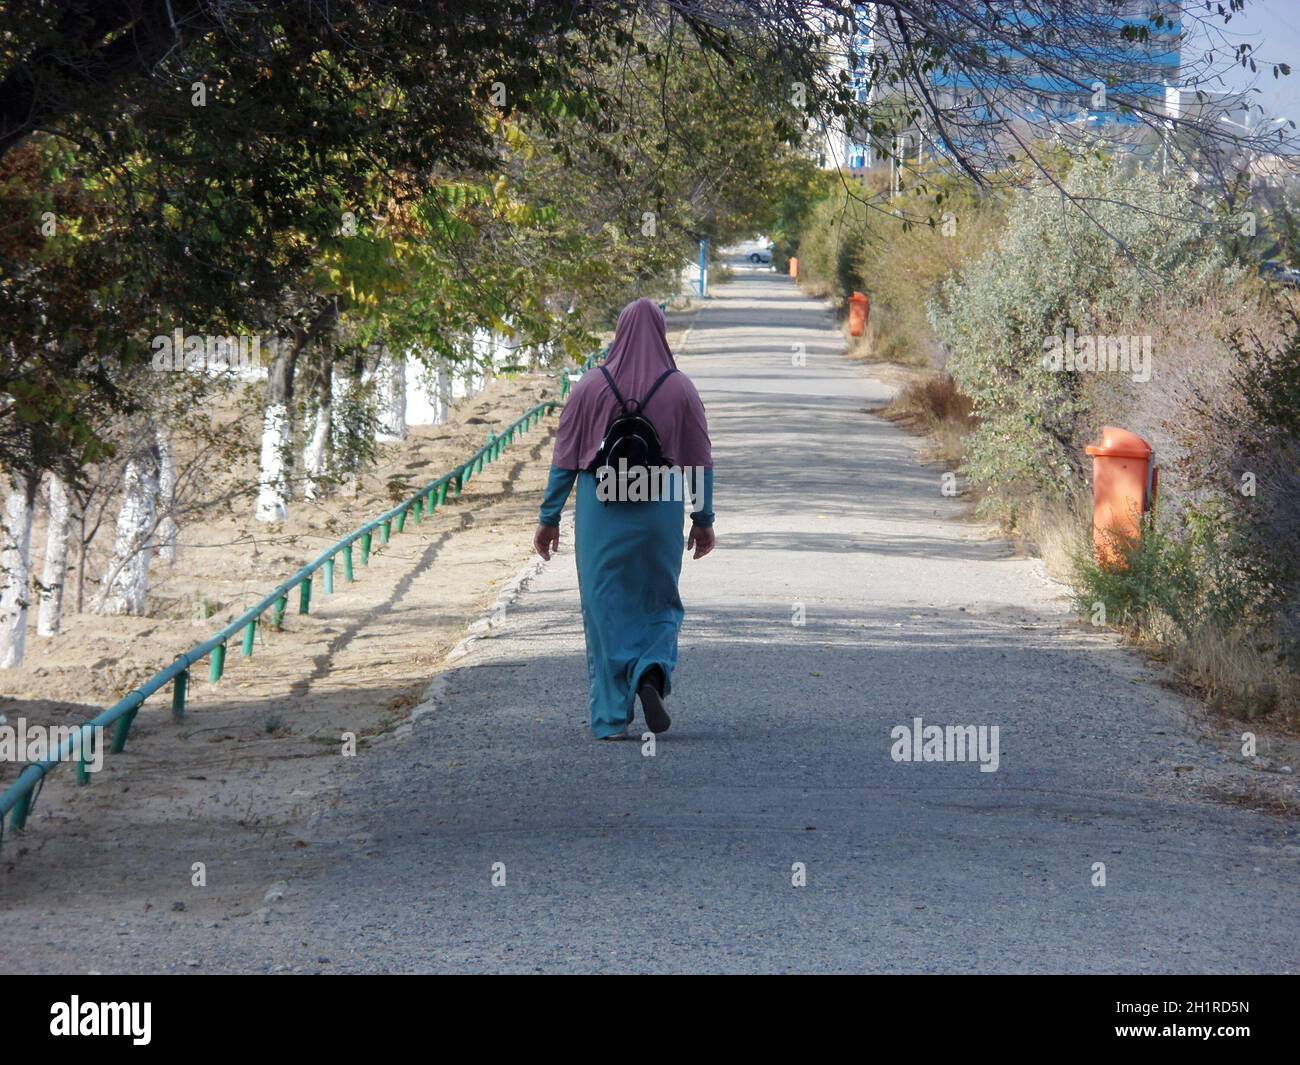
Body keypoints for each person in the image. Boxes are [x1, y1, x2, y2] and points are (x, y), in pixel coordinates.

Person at [534, 298, 715, 739]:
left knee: (604, 605)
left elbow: (564, 460)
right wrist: (703, 518)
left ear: (618, 332)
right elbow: (700, 460)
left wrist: (549, 517)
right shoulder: (680, 388)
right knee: (658, 598)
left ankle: (613, 717)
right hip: (661, 502)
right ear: (661, 332)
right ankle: (650, 671)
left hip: (602, 503)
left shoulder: (589, 386)